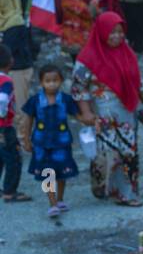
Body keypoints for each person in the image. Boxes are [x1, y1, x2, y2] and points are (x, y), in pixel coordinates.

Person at [72, 12, 143, 205]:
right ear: (101, 32)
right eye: (112, 32)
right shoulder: (87, 57)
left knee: (129, 151)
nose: (117, 36)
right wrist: (86, 112)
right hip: (103, 113)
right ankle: (113, 189)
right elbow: (78, 87)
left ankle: (127, 192)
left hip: (127, 111)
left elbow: (137, 81)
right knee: (110, 152)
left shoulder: (127, 53)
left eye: (120, 32)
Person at [20, 62, 82, 218]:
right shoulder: (35, 101)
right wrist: (26, 139)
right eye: (48, 81)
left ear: (61, 81)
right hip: (42, 145)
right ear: (41, 82)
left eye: (55, 80)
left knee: (62, 174)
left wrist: (92, 121)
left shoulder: (66, 100)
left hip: (62, 144)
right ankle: (52, 202)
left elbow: (78, 115)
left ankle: (60, 199)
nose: (52, 84)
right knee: (48, 174)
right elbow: (27, 121)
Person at [0, 43, 32, 202]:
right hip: (4, 127)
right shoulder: (5, 80)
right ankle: (10, 191)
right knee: (13, 157)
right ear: (10, 61)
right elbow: (2, 101)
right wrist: (2, 113)